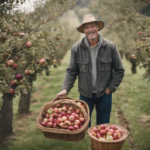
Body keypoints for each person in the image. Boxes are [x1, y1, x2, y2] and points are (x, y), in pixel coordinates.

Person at [56, 14, 125, 127]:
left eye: (92, 26)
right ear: (83, 30)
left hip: (104, 94)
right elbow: (71, 71)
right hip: (85, 95)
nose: (90, 30)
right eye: (87, 27)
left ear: (97, 27)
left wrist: (110, 89)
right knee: (84, 125)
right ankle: (89, 144)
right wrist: (65, 89)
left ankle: (101, 145)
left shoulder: (110, 47)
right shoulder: (77, 48)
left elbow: (119, 70)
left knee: (103, 126)